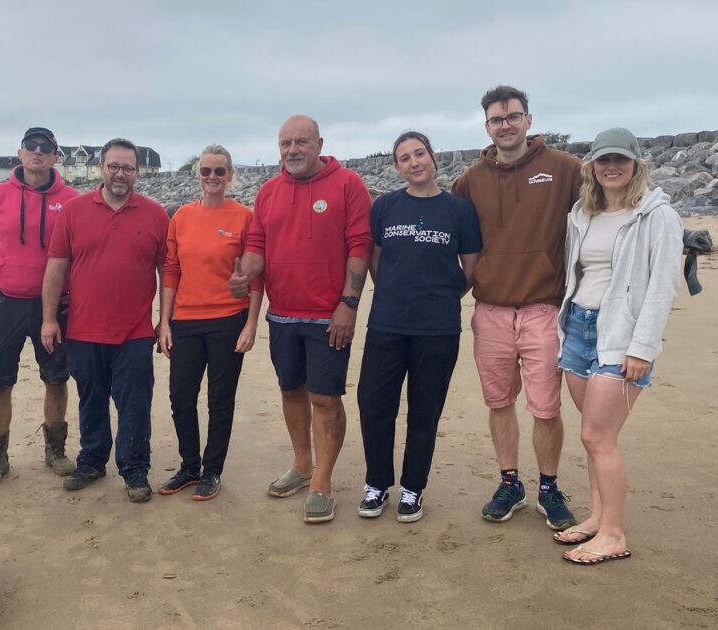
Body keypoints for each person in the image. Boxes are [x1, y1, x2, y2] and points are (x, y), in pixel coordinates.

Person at [229, 115, 373, 523]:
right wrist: (246, 275)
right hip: (282, 315)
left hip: (328, 316)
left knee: (325, 397)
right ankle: (301, 463)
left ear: (319, 143)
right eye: (284, 143)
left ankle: (322, 481)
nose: (292, 150)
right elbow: (258, 245)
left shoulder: (347, 185)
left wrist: (349, 303)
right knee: (290, 390)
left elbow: (359, 244)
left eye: (300, 142)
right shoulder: (270, 192)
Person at [451, 86, 581, 529]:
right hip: (489, 309)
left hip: (543, 307)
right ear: (486, 126)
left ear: (528, 120)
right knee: (499, 401)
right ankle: (510, 483)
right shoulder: (470, 180)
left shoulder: (565, 169)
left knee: (546, 407)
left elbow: (610, 207)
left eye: (513, 116)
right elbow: (447, 234)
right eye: (496, 119)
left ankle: (548, 487)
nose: (505, 125)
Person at [555, 128, 682, 565]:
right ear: (591, 165)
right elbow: (579, 275)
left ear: (636, 165)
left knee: (598, 436)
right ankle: (597, 516)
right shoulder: (582, 213)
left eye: (621, 160)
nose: (612, 167)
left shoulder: (657, 216)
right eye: (604, 160)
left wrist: (641, 348)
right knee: (591, 438)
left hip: (621, 339)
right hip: (578, 330)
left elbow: (663, 287)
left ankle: (613, 533)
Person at [356, 131, 481, 523]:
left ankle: (413, 489)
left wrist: (440, 296)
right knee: (374, 404)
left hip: (437, 328)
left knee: (424, 411)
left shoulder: (459, 211)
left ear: (432, 157)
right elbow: (376, 259)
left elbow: (471, 267)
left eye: (420, 154)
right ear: (397, 167)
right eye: (405, 158)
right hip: (387, 323)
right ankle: (377, 484)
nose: (414, 162)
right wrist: (396, 291)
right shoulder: (386, 207)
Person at [41, 138, 169, 503]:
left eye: (128, 168)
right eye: (113, 166)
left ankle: (134, 469)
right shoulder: (73, 210)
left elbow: (167, 270)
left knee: (135, 403)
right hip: (83, 329)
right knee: (91, 398)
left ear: (137, 172)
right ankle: (92, 461)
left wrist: (164, 320)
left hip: (135, 331)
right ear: (101, 168)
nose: (120, 174)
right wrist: (49, 319)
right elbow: (56, 267)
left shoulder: (156, 214)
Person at [0, 127, 80, 487]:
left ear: (54, 157)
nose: (37, 153)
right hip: (5, 303)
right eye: (31, 147)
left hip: (54, 306)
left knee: (56, 377)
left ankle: (56, 450)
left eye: (45, 148)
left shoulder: (72, 199)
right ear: (20, 153)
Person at [156, 145, 264, 502]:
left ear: (230, 175)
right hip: (185, 320)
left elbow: (255, 276)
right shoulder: (181, 218)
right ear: (197, 174)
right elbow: (171, 269)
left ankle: (212, 470)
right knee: (181, 397)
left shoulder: (245, 217)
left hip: (227, 321)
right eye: (206, 171)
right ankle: (190, 466)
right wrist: (165, 321)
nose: (213, 178)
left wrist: (251, 325)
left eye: (220, 171)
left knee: (220, 400)